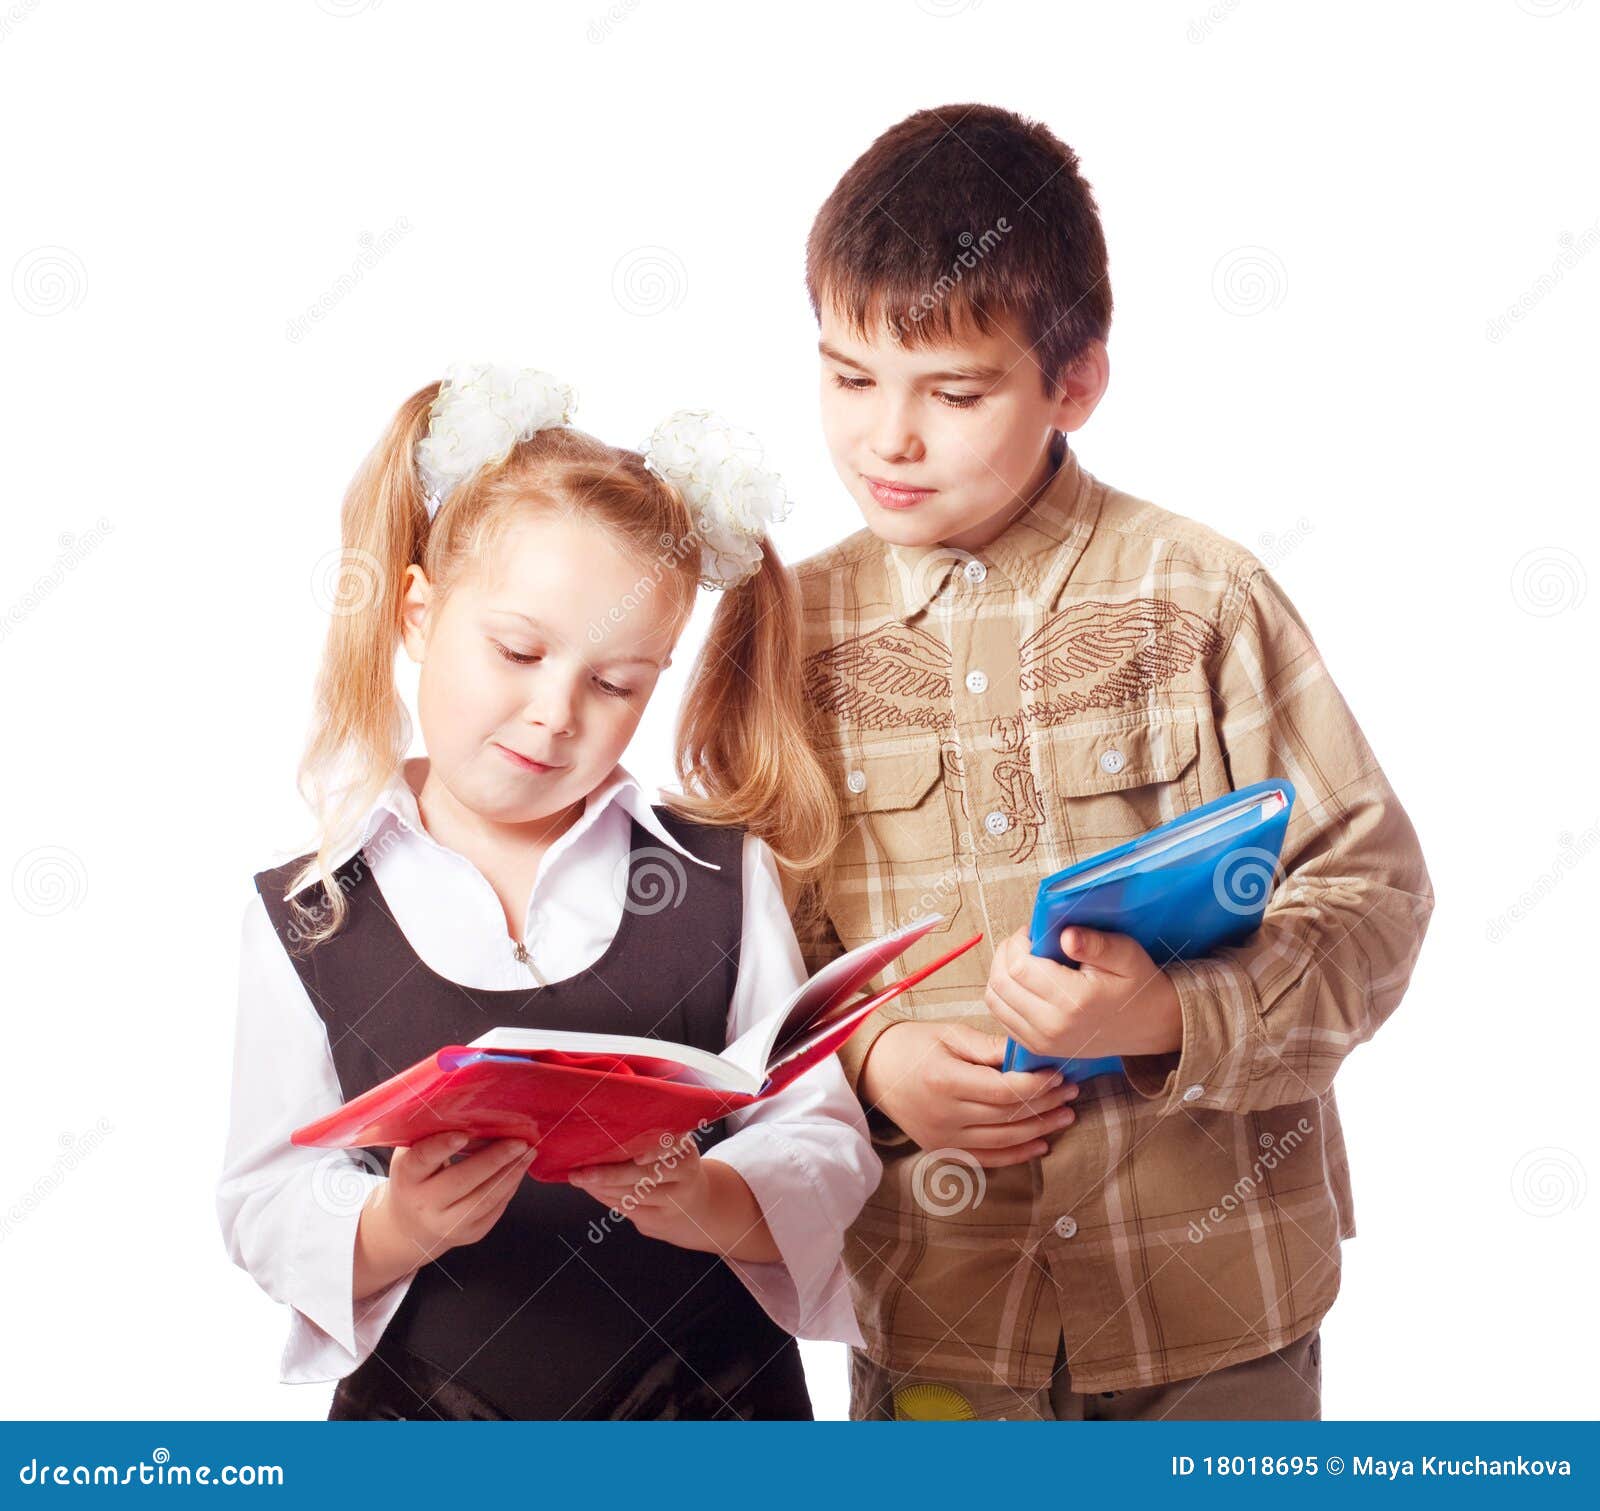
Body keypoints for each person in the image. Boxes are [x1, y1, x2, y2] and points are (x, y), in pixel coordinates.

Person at [789, 104, 1435, 1420]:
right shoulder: (784, 638)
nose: (887, 437)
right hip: (940, 1313)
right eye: (850, 376)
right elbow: (736, 968)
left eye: (953, 392)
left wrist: (1164, 1017)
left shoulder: (1201, 595)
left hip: (1216, 1311)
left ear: (1071, 382)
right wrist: (872, 1067)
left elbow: (1373, 897)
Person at [217, 363, 879, 1420]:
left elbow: (823, 1140)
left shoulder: (718, 874)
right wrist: (397, 1224)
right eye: (517, 650)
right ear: (417, 612)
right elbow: (262, 1196)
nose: (555, 711)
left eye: (616, 682)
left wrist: (713, 1198)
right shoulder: (312, 911)